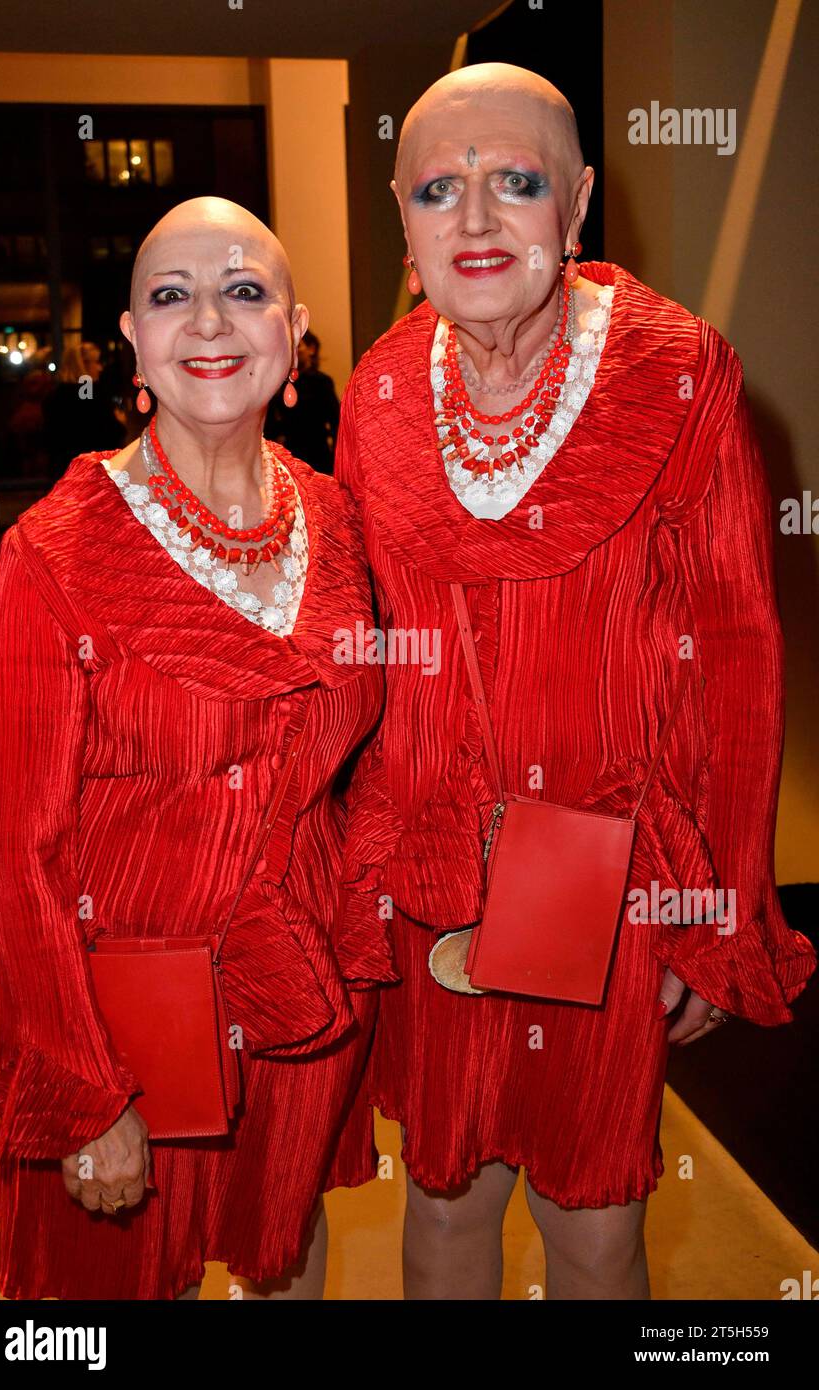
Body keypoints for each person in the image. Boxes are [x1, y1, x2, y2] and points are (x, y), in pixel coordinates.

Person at [334, 64, 817, 1301]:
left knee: (591, 1216)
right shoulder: (380, 395)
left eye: (518, 181)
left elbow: (741, 662)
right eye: (440, 188)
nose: (479, 219)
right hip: (434, 879)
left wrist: (712, 909)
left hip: (604, 877)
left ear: (579, 201)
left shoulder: (681, 373)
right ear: (403, 217)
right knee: (443, 1197)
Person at [0, 197, 393, 1300]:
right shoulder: (51, 555)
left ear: (293, 335)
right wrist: (85, 1089)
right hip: (119, 1022)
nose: (210, 321)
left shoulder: (340, 522)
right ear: (135, 344)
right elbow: (22, 859)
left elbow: (361, 766)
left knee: (281, 1261)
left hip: (291, 1001)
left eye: (244, 291)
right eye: (172, 296)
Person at [43, 340, 127, 481]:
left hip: (63, 473)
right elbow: (105, 433)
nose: (100, 368)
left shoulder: (55, 395)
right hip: (89, 473)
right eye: (96, 362)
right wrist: (119, 421)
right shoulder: (88, 391)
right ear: (84, 364)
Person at [266, 330, 340, 474]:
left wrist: (336, 460)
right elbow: (270, 425)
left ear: (311, 349)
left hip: (317, 456)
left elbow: (335, 422)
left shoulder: (322, 382)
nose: (293, 352)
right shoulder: (279, 382)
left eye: (298, 346)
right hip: (287, 457)